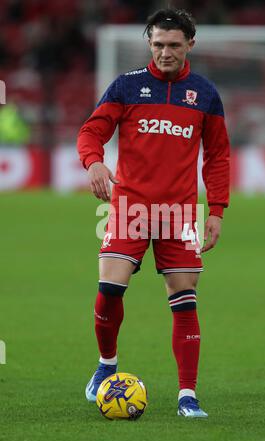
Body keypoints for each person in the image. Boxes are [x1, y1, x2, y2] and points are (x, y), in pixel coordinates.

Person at [77, 8, 230, 418]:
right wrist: (93, 162)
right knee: (110, 289)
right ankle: (106, 365)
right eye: (158, 44)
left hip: (179, 214)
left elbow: (217, 156)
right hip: (129, 207)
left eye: (174, 45)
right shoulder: (126, 87)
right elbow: (92, 131)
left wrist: (215, 210)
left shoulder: (205, 93)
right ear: (149, 43)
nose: (165, 52)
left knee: (185, 300)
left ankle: (187, 396)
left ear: (189, 46)